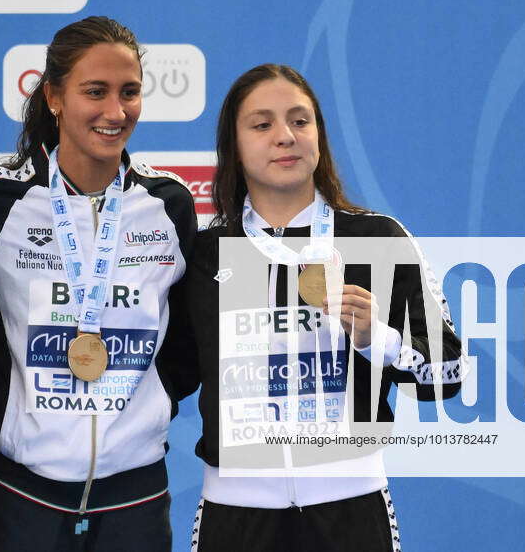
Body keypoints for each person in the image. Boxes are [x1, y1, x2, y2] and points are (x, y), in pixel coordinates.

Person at [185, 64, 464, 551]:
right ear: (234, 145)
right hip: (235, 511)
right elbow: (169, 371)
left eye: (299, 120)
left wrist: (378, 338)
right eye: (262, 124)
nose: (284, 137)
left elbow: (451, 370)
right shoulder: (207, 253)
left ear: (319, 136)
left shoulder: (375, 237)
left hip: (351, 505)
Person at [0, 16, 198, 551]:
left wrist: (157, 401)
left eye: (129, 92)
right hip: (24, 490)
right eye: (94, 92)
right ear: (54, 96)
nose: (115, 112)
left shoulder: (168, 206)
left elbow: (187, 338)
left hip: (136, 492)